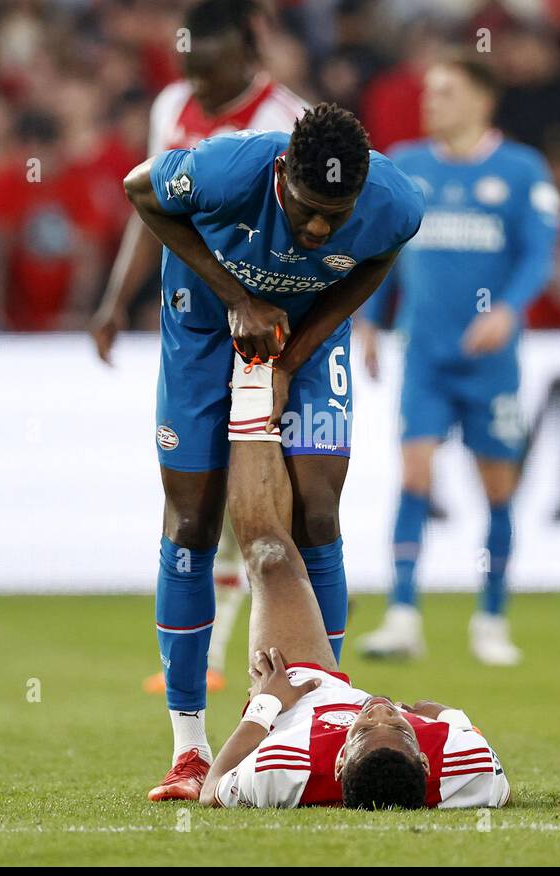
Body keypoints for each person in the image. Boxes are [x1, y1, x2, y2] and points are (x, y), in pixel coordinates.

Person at [122, 103, 424, 800]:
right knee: (193, 520)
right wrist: (235, 298)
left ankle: (325, 717)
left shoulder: (394, 204)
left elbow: (376, 258)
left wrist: (295, 359)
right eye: (308, 210)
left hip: (308, 332)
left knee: (317, 511)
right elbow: (142, 188)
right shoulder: (231, 168)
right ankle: (190, 749)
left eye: (335, 215)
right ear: (283, 175)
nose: (319, 228)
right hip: (201, 320)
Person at [90, 0, 308, 696]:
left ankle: (288, 658)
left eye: (209, 67)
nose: (198, 83)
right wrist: (115, 298)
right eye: (188, 65)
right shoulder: (172, 104)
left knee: (270, 497)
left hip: (268, 324)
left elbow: (318, 234)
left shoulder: (285, 119)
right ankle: (209, 659)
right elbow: (150, 208)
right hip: (194, 320)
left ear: (247, 52)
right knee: (197, 501)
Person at [199, 356, 510, 810]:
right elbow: (465, 735)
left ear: (341, 759)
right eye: (401, 727)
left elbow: (212, 790)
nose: (381, 708)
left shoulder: (287, 770)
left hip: (301, 696)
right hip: (326, 704)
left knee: (271, 558)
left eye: (365, 727)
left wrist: (266, 705)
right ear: (425, 764)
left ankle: (252, 385)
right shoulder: (466, 770)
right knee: (317, 519)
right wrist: (439, 716)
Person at [355, 56, 560, 665]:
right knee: (414, 472)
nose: (431, 102)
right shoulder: (406, 165)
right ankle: (402, 614)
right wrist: (369, 318)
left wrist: (508, 310)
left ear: (482, 100)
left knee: (497, 489)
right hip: (423, 353)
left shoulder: (521, 171)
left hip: (488, 362)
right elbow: (377, 251)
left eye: (445, 92)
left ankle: (491, 618)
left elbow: (539, 253)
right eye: (429, 91)